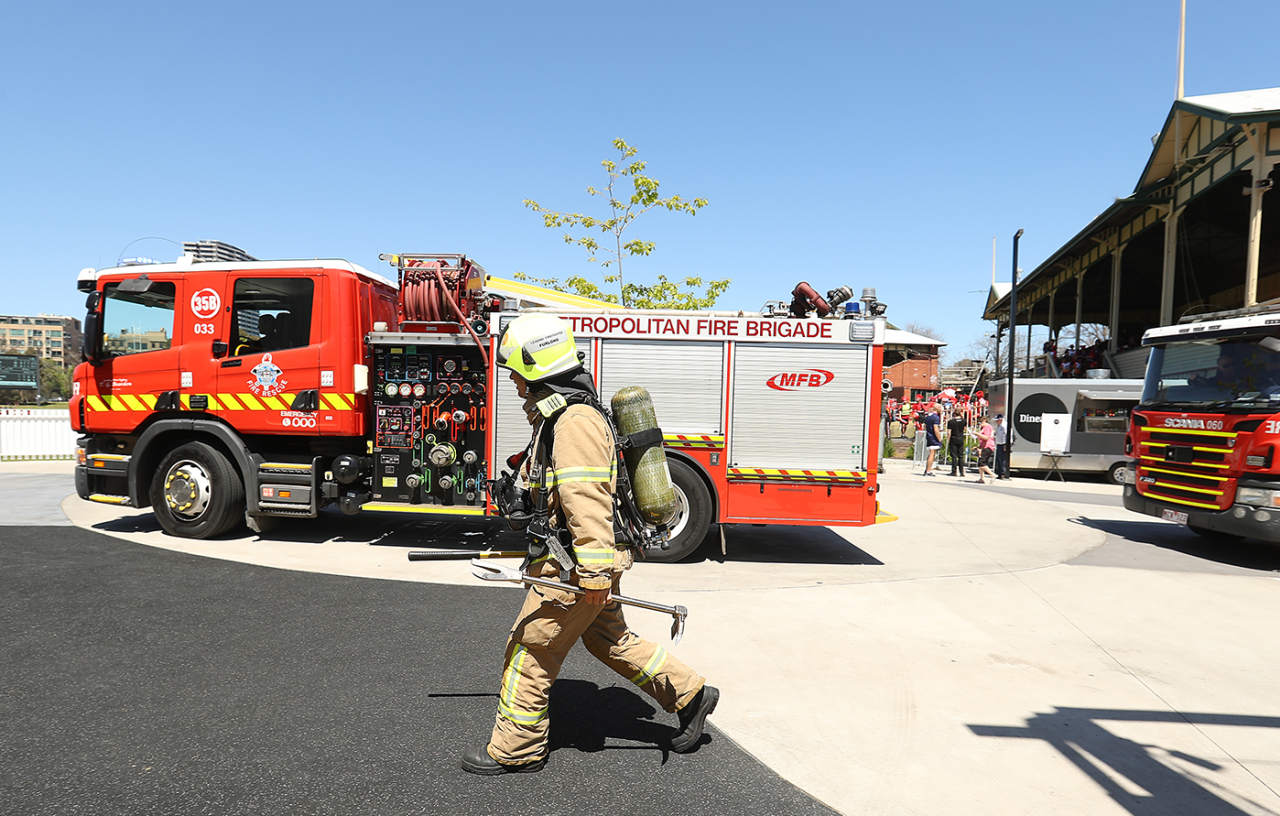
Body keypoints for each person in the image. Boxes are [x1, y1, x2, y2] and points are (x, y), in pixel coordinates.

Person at [462, 313, 717, 775]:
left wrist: (594, 574)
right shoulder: (562, 414)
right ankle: (690, 693)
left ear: (536, 366)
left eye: (517, 371)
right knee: (609, 640)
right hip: (582, 561)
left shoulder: (574, 420)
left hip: (573, 569)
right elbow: (557, 486)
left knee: (531, 649)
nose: (515, 383)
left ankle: (516, 750)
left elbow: (586, 500)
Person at [974, 416, 997, 483]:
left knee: (981, 463)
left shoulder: (987, 427)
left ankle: (992, 474)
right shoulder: (984, 428)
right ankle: (982, 478)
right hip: (984, 446)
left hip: (988, 446)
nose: (980, 424)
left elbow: (986, 437)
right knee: (982, 463)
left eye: (980, 422)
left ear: (984, 421)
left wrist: (977, 434)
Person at [922, 403, 942, 475]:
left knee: (931, 453)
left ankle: (927, 469)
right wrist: (939, 438)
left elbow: (925, 426)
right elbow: (936, 429)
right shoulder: (936, 417)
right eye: (940, 408)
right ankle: (928, 470)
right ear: (937, 408)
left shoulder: (928, 416)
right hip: (933, 437)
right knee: (932, 453)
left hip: (929, 435)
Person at [946, 408, 967, 477]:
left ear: (954, 413)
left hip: (953, 438)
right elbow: (964, 428)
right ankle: (962, 472)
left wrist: (948, 440)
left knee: (954, 456)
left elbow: (949, 432)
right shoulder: (964, 421)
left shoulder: (951, 422)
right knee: (961, 456)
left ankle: (954, 471)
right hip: (960, 439)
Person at [993, 414, 1010, 480]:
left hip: (1003, 444)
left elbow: (1008, 435)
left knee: (1003, 460)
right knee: (999, 459)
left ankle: (1003, 473)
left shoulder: (1004, 426)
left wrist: (1006, 445)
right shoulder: (1000, 426)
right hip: (999, 444)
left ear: (1000, 420)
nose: (996, 422)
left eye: (997, 420)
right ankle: (999, 473)